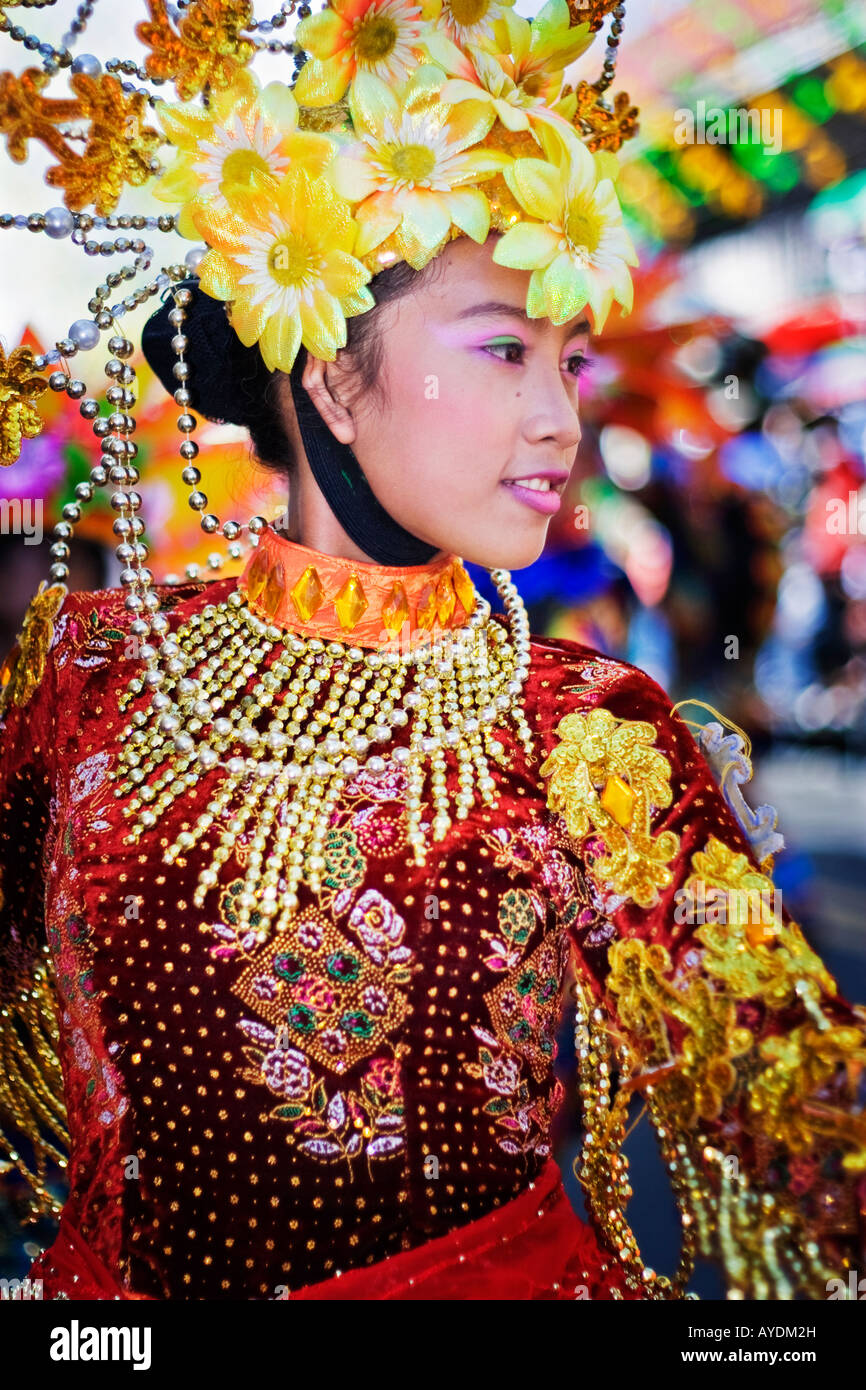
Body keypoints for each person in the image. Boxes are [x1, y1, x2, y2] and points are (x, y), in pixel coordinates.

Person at [1, 0, 865, 1303]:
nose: (557, 422)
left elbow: (810, 1115)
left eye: (568, 363)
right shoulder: (87, 679)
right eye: (505, 350)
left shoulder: (592, 731)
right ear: (327, 380)